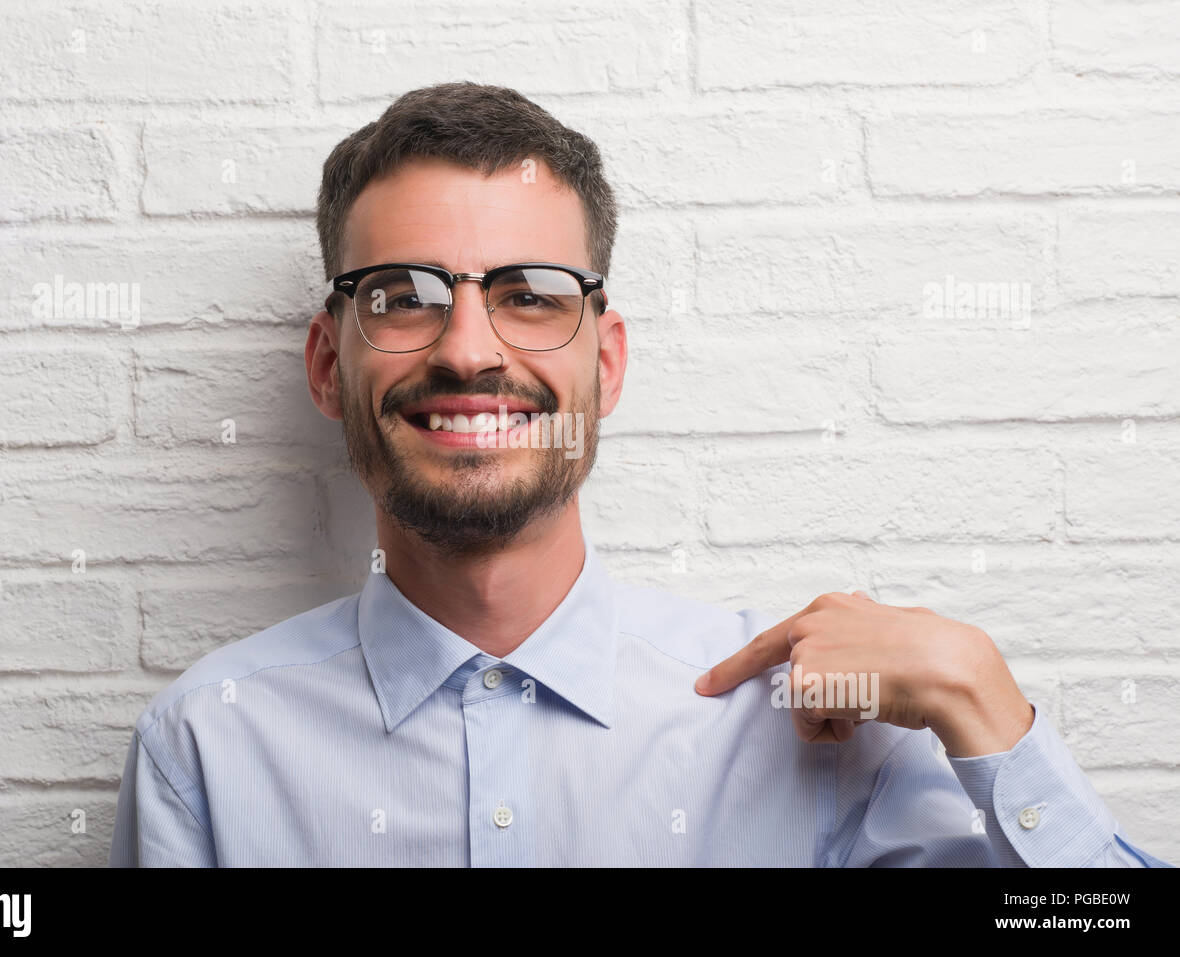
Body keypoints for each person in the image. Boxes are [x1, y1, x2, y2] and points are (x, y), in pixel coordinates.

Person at [110, 81, 1169, 867]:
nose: (470, 349)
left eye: (530, 293)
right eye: (403, 294)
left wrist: (979, 700)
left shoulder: (818, 725)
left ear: (604, 361)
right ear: (326, 364)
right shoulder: (208, 747)